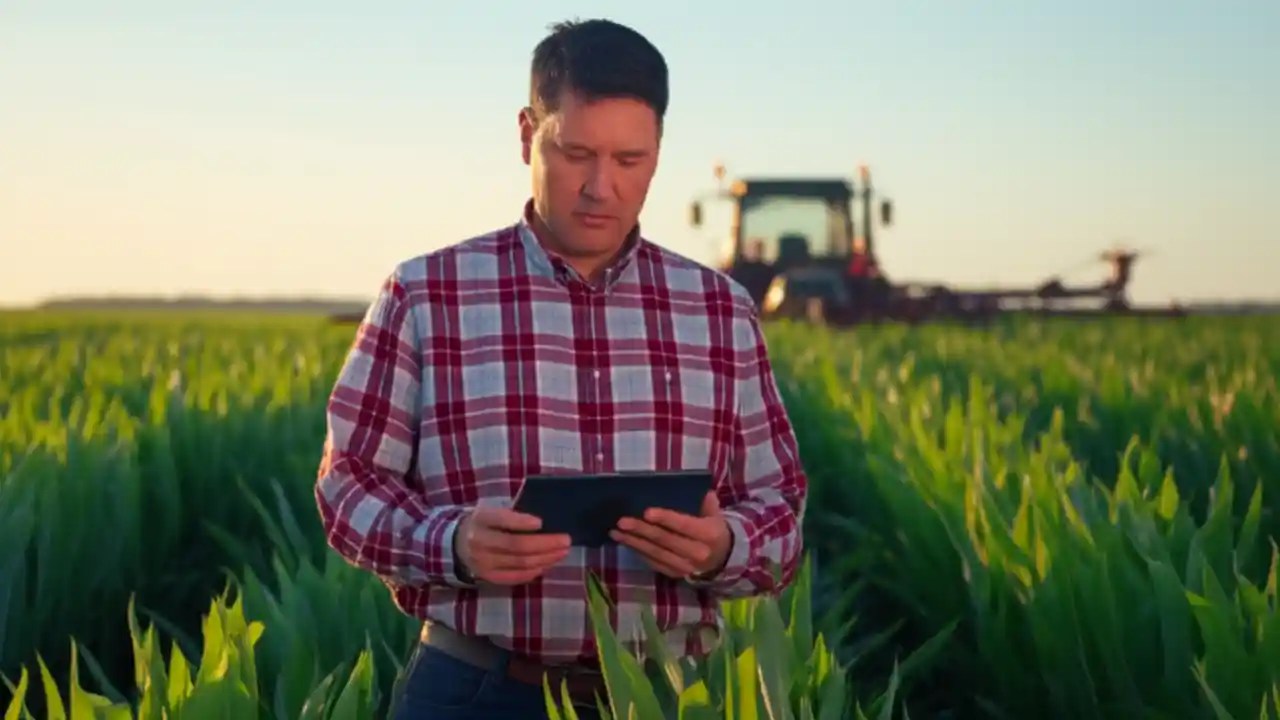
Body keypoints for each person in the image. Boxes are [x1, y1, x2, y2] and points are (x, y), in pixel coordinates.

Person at [314, 18, 807, 720]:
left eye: (630, 160)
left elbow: (782, 507)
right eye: (575, 152)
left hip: (663, 696)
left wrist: (724, 545)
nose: (600, 187)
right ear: (526, 134)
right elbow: (346, 485)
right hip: (472, 690)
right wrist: (449, 542)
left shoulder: (720, 309)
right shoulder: (427, 294)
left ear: (660, 151)